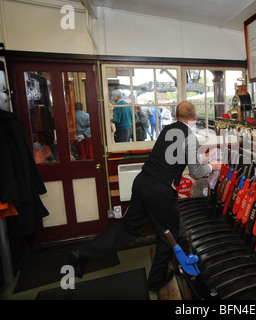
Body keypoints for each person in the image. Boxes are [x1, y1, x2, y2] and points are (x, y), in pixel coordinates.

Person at [70, 101, 222, 291]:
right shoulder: (190, 136)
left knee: (129, 228)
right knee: (169, 235)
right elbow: (196, 171)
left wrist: (202, 159)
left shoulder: (167, 130)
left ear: (176, 116)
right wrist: (212, 166)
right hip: (160, 191)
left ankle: (83, 254)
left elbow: (177, 156)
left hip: (142, 182)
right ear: (194, 118)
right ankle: (156, 280)